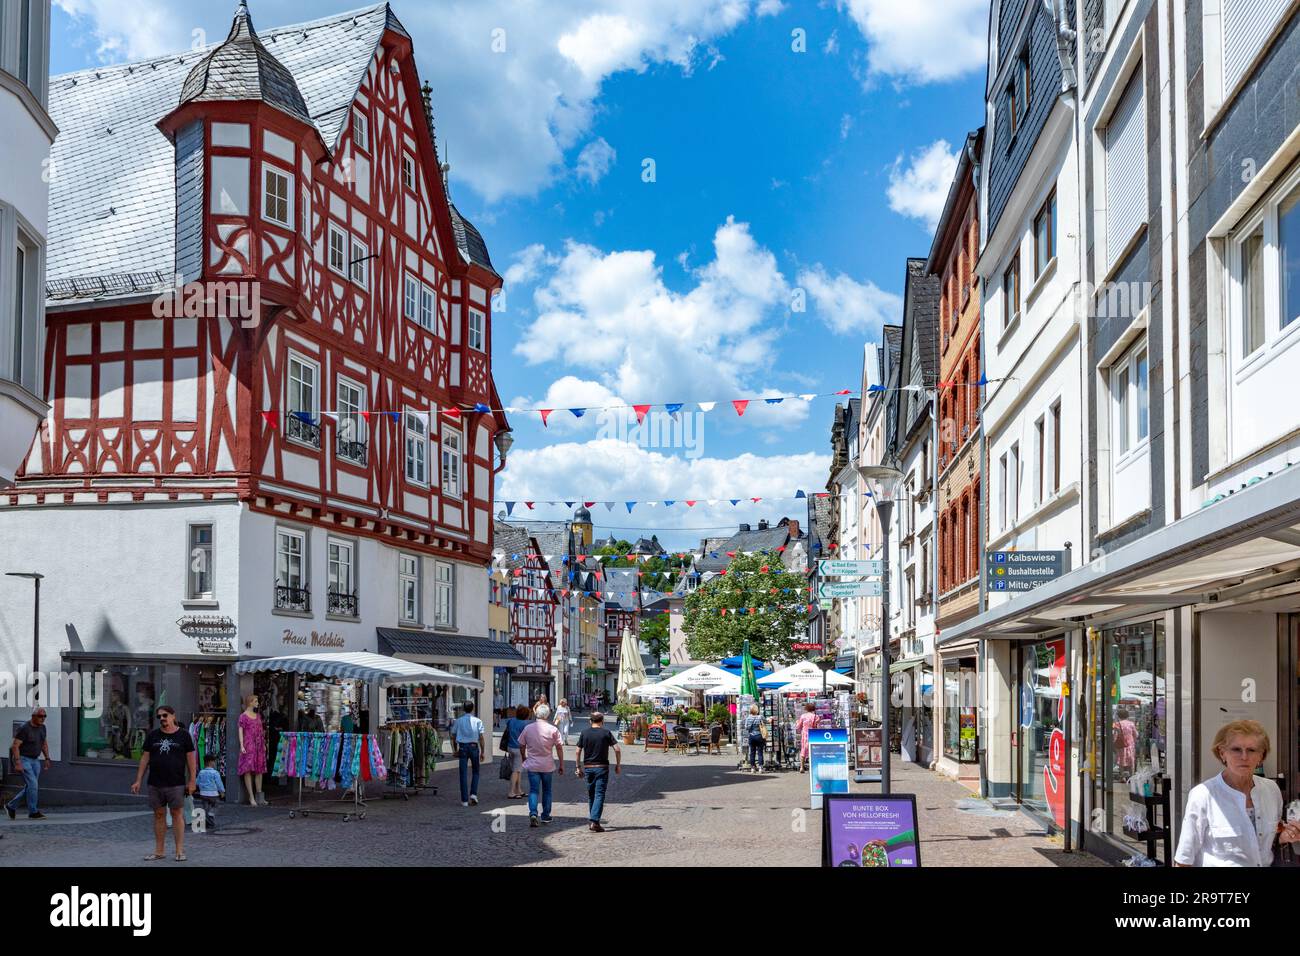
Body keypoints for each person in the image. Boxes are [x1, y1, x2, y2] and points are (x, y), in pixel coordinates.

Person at [1174, 720, 1299, 867]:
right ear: (1222, 753)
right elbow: (1183, 860)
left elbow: (1269, 841)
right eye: (1236, 749)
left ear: (1261, 756)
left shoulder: (1271, 790)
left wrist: (1286, 835)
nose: (1244, 756)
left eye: (1251, 750)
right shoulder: (1203, 795)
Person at [130, 704, 197, 862]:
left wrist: (192, 781)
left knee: (177, 814)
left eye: (165, 715)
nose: (162, 718)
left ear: (173, 716)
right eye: (159, 716)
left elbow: (191, 760)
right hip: (155, 783)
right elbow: (145, 759)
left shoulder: (184, 735)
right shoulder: (153, 735)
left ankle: (179, 851)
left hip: (176, 783)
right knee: (159, 815)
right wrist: (138, 780)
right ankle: (159, 851)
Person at [519, 703, 564, 827]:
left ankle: (533, 813)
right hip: (547, 765)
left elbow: (521, 745)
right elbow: (559, 747)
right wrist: (561, 764)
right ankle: (545, 815)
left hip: (533, 764)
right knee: (547, 791)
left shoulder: (528, 728)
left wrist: (523, 757)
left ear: (536, 714)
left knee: (533, 790)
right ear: (547, 715)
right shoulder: (553, 729)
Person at [575, 712, 621, 832]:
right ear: (602, 721)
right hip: (602, 767)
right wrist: (618, 764)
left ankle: (594, 821)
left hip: (588, 767)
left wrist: (578, 767)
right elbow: (617, 749)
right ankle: (595, 821)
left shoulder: (584, 733)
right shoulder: (606, 733)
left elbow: (577, 751)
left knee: (591, 794)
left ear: (590, 721)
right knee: (599, 794)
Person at [6, 707, 51, 820]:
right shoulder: (24, 728)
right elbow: (15, 746)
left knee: (31, 786)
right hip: (23, 758)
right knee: (33, 785)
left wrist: (47, 758)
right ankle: (33, 812)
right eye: (40, 716)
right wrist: (17, 763)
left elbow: (44, 744)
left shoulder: (43, 728)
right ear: (33, 716)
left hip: (35, 760)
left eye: (44, 716)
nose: (43, 718)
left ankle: (11, 806)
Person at [450, 700, 486, 807]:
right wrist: (483, 751)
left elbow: (453, 736)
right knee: (476, 771)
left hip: (463, 747)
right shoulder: (478, 721)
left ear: (463, 709)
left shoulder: (458, 721)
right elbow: (481, 737)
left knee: (463, 773)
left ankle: (464, 800)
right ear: (473, 709)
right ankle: (473, 794)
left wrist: (455, 750)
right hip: (474, 747)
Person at [237, 694, 269, 806]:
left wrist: (264, 743)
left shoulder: (258, 716)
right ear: (250, 702)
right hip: (249, 744)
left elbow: (261, 731)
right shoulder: (243, 717)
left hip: (259, 745)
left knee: (259, 770)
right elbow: (240, 731)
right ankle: (251, 797)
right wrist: (242, 745)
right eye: (255, 701)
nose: (257, 703)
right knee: (248, 770)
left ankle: (259, 796)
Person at [502, 705, 533, 799]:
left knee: (518, 770)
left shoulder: (511, 721)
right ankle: (511, 792)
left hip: (510, 747)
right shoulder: (525, 724)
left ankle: (518, 790)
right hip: (518, 749)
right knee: (516, 771)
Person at [195, 756, 224, 831]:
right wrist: (222, 791)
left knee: (205, 808)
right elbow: (219, 783)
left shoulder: (201, 772)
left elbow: (197, 782)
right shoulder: (215, 772)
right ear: (210, 762)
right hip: (213, 794)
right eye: (214, 762)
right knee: (215, 806)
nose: (215, 763)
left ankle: (207, 822)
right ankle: (210, 817)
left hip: (203, 794)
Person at [1112, 707, 1138, 778]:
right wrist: (1133, 740)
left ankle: (1122, 777)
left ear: (1119, 716)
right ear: (1127, 716)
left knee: (1121, 761)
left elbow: (1115, 735)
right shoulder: (1131, 724)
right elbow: (1136, 734)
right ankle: (1131, 776)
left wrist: (1114, 743)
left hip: (1121, 745)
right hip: (1130, 745)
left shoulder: (1117, 724)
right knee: (1131, 761)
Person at [795, 702, 820, 773]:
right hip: (813, 734)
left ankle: (802, 767)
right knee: (814, 750)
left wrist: (797, 722)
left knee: (803, 750)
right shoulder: (816, 716)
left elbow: (798, 727)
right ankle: (814, 767)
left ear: (806, 709)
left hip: (805, 734)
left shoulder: (803, 716)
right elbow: (818, 727)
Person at [743, 704, 766, 773]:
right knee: (760, 752)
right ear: (757, 710)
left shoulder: (748, 718)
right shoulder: (760, 717)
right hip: (759, 736)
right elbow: (766, 722)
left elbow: (746, 728)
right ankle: (760, 767)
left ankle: (752, 768)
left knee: (752, 752)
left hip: (751, 736)